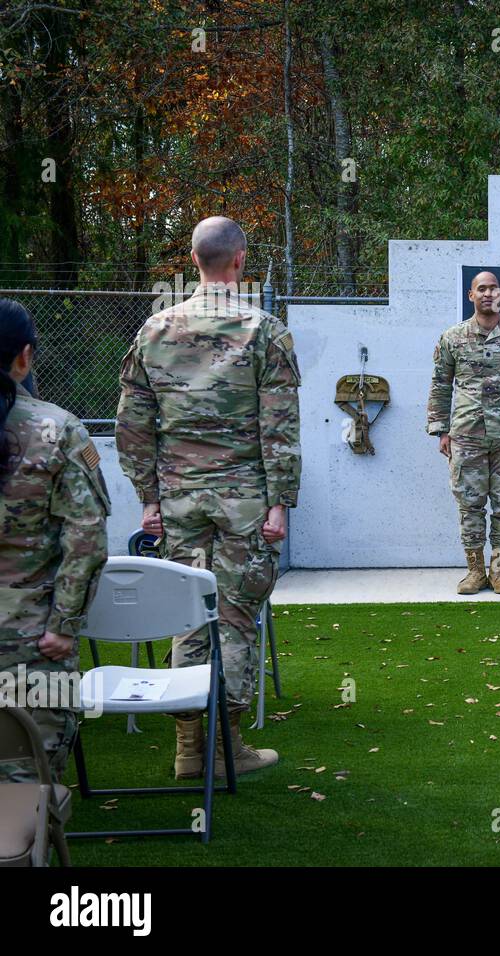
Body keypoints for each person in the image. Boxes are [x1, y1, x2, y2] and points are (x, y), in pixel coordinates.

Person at [116, 216, 301, 779]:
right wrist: (279, 502)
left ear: (195, 261)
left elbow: (133, 423)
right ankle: (228, 746)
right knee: (237, 616)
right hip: (244, 500)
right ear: (240, 260)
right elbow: (280, 426)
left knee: (188, 616)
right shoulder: (264, 330)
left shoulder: (154, 331)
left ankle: (188, 749)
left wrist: (147, 495)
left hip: (178, 500)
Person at [0, 300, 109, 783]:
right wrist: (64, 626)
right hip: (34, 647)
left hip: (34, 643)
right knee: (28, 793)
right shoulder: (58, 430)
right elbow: (86, 538)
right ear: (24, 357)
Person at [427, 271, 500, 594]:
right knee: (470, 503)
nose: (488, 294)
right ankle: (475, 571)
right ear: (471, 295)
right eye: (482, 289)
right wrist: (441, 430)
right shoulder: (452, 337)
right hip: (466, 434)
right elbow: (440, 385)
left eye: (493, 288)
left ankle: (499, 571)